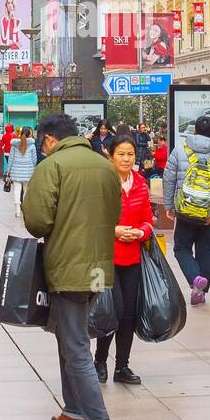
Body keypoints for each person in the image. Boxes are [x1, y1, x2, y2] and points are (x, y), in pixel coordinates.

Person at [22, 113, 121, 420]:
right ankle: (74, 410)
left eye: (41, 143)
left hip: (68, 268)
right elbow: (114, 213)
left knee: (76, 344)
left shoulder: (52, 167)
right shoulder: (105, 165)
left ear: (50, 139)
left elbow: (36, 221)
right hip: (98, 269)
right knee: (70, 336)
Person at [94, 131, 153, 385]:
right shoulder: (102, 182)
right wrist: (114, 230)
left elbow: (149, 220)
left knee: (129, 313)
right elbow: (92, 219)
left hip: (133, 258)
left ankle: (122, 367)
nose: (126, 159)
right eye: (121, 154)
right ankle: (99, 361)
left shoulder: (140, 183)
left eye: (130, 154)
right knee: (111, 311)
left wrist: (141, 232)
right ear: (110, 154)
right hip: (106, 259)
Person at [163, 115, 210, 306]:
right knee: (205, 250)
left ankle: (194, 279)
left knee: (181, 248)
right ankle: (202, 290)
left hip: (185, 211)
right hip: (206, 214)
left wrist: (169, 206)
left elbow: (168, 178)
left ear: (194, 131)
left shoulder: (180, 151)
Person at [7, 126, 37, 216]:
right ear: (29, 134)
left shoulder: (14, 145)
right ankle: (25, 209)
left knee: (17, 190)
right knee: (26, 190)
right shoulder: (32, 145)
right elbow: (34, 159)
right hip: (28, 171)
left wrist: (8, 171)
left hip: (16, 171)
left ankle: (17, 211)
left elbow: (11, 159)